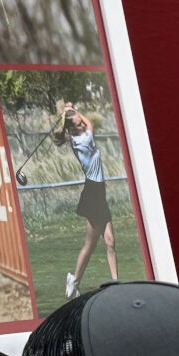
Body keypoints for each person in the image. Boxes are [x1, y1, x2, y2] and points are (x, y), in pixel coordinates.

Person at [58, 103, 118, 298]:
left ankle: (116, 283)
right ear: (72, 129)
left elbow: (84, 123)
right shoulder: (83, 141)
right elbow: (90, 123)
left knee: (110, 241)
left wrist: (71, 111)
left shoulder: (78, 136)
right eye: (78, 124)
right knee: (90, 245)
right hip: (93, 193)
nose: (82, 125)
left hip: (99, 192)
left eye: (80, 124)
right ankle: (73, 279)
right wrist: (75, 110)